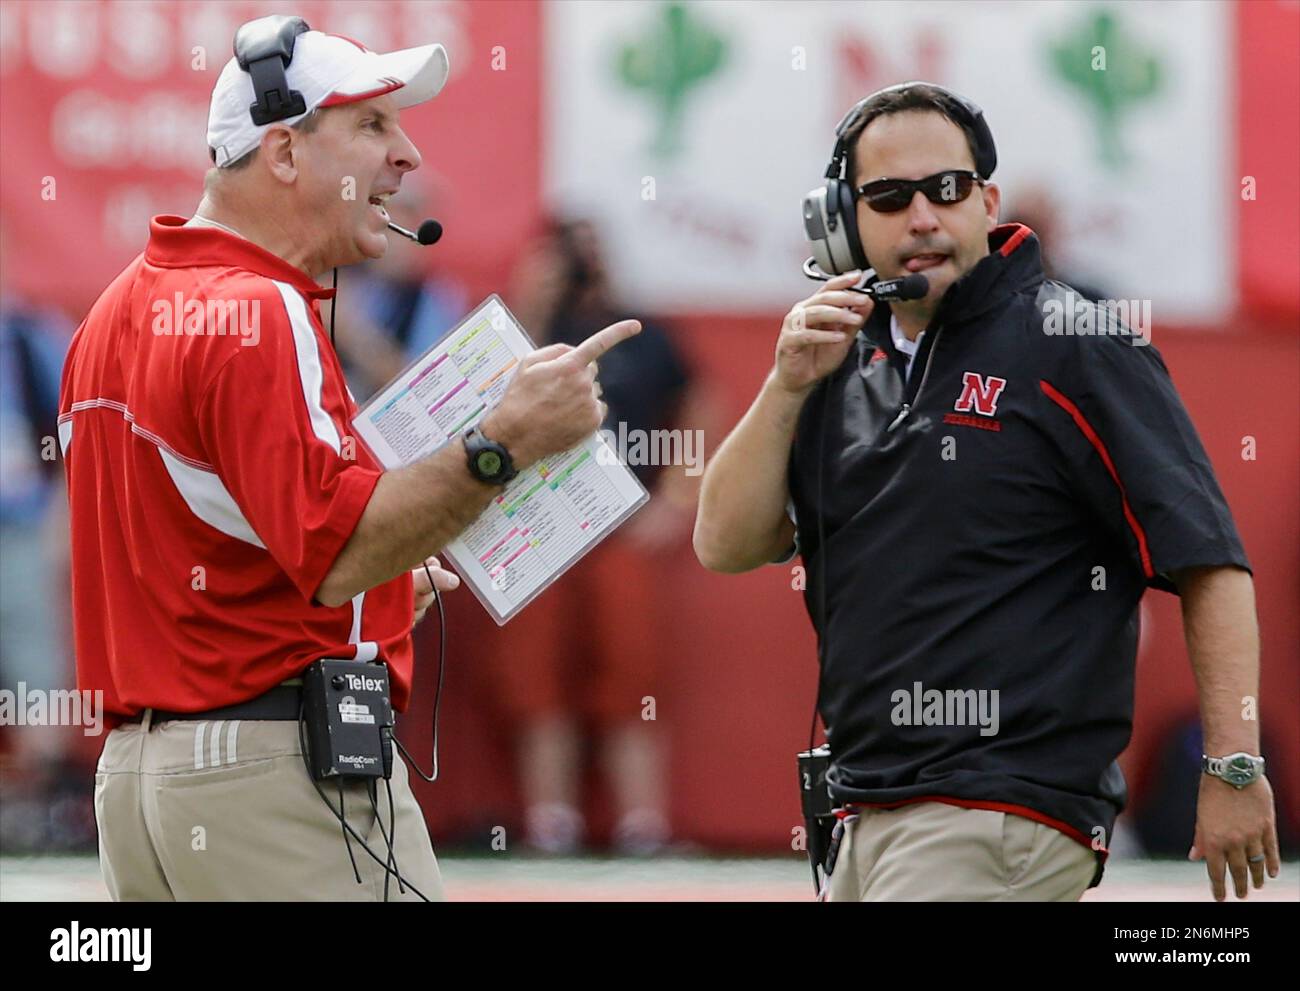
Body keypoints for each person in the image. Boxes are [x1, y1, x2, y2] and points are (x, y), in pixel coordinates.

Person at [58, 15, 639, 901]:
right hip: (269, 776)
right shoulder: (263, 309)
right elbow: (336, 552)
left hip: (144, 785)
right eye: (371, 125)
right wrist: (508, 439)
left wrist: (375, 592)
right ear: (284, 152)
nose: (405, 155)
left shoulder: (114, 310)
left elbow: (208, 558)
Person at [694, 82, 1279, 902]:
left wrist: (1233, 763)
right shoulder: (833, 358)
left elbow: (1209, 559)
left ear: (987, 200)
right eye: (890, 198)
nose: (923, 216)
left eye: (947, 189)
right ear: (842, 221)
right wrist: (784, 388)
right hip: (870, 810)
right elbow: (724, 544)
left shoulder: (1073, 340)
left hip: (999, 808)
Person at [486, 218, 705, 855]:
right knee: (533, 673)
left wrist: (677, 499)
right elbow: (477, 397)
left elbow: (696, 404)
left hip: (618, 525)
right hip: (536, 525)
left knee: (631, 670)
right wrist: (530, 304)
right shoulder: (526, 332)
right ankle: (550, 823)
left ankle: (643, 825)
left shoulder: (640, 331)